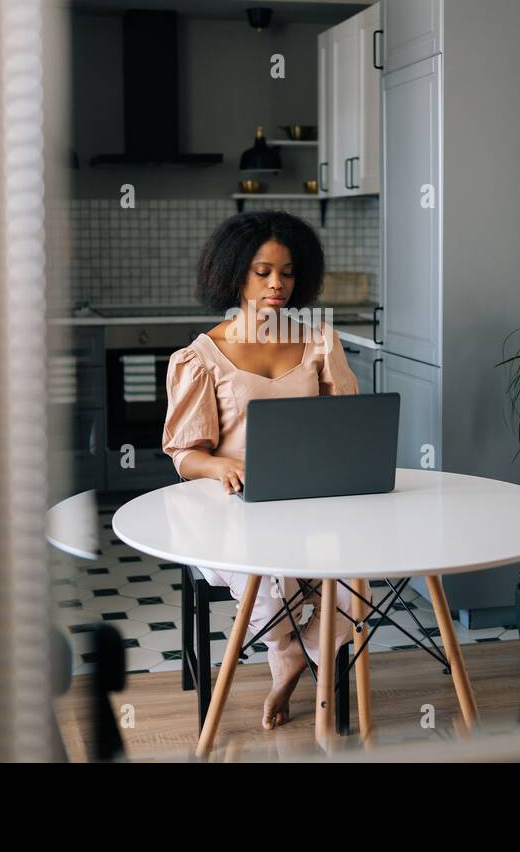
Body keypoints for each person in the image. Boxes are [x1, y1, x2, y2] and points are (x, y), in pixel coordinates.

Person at [162, 210, 360, 730]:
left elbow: (350, 424)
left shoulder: (320, 342)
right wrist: (219, 462)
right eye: (262, 270)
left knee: (357, 580)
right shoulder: (202, 356)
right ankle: (290, 653)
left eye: (288, 272)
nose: (278, 284)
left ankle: (293, 654)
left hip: (308, 500)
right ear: (234, 272)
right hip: (232, 508)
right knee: (270, 576)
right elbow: (184, 453)